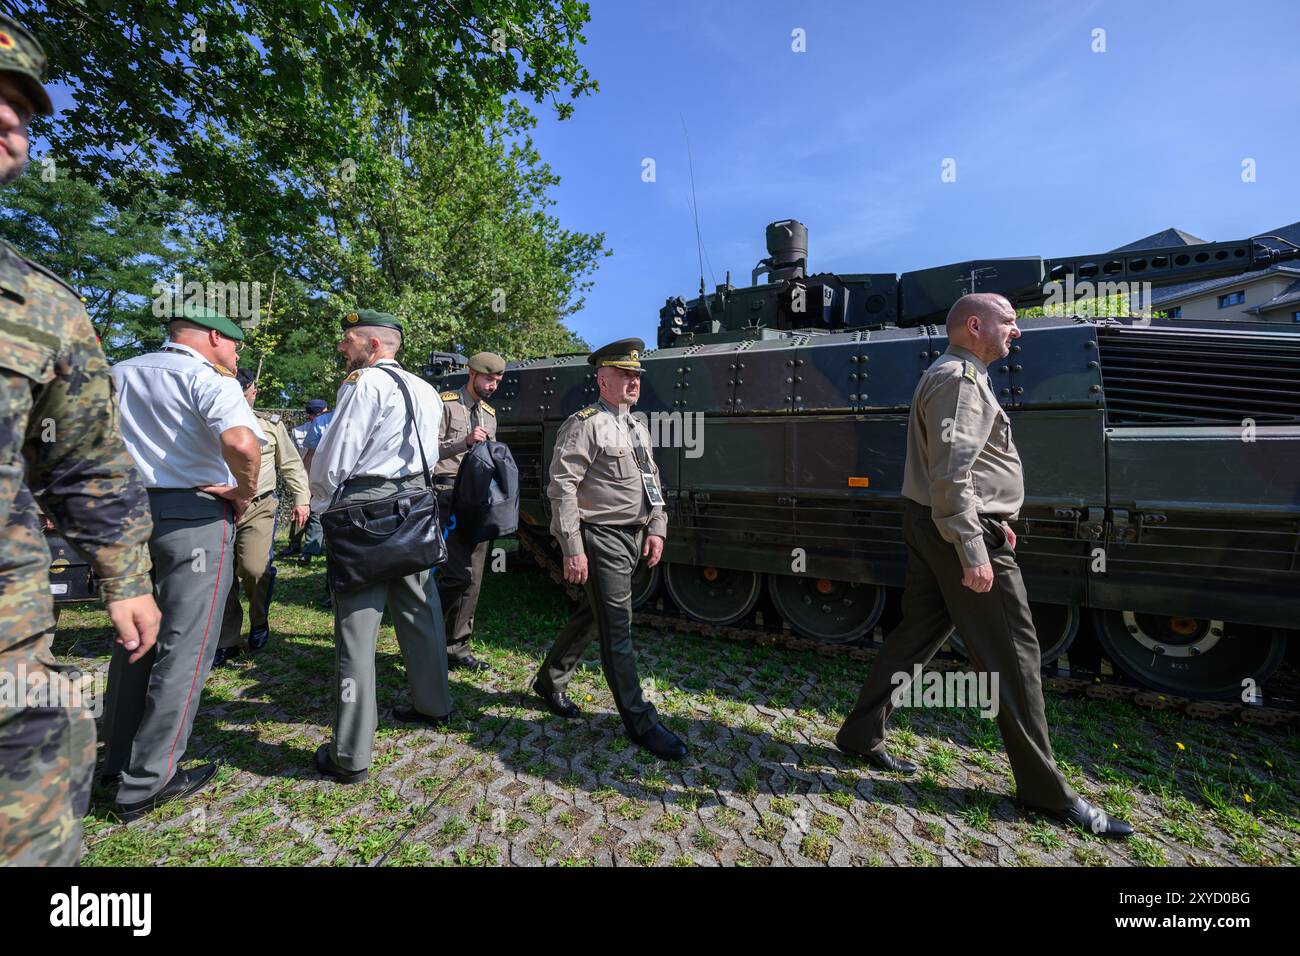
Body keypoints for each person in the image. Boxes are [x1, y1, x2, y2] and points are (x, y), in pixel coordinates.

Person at [834, 293, 1132, 838]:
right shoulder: (960, 380)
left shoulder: (952, 373)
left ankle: (860, 733)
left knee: (916, 636)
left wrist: (991, 515)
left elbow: (958, 472)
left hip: (937, 524)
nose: (1016, 331)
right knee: (1015, 654)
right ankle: (1045, 791)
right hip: (957, 534)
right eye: (1009, 321)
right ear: (975, 325)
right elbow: (952, 471)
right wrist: (975, 541)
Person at [0, 12, 161, 863]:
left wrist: (124, 574)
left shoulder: (44, 306)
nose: (9, 124)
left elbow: (87, 456)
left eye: (21, 111)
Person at [103, 305, 264, 821]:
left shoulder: (118, 373)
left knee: (133, 635)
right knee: (186, 646)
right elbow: (241, 441)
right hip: (192, 513)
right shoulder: (209, 379)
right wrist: (244, 491)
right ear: (215, 338)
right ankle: (150, 779)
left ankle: (118, 758)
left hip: (125, 514)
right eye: (235, 346)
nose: (237, 356)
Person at [309, 309, 450, 784]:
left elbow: (336, 455)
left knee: (356, 631)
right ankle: (434, 704)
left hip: (365, 508)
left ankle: (350, 754)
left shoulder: (362, 383)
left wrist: (322, 505)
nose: (342, 348)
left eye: (348, 340)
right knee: (420, 608)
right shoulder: (427, 389)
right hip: (413, 505)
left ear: (372, 345)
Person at [532, 338, 684, 761]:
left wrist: (657, 525)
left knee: (594, 613)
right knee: (619, 628)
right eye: (625, 374)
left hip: (634, 537)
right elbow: (561, 487)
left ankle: (549, 680)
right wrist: (572, 546)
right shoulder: (585, 423)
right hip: (601, 537)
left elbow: (652, 481)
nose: (634, 381)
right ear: (602, 379)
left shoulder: (637, 425)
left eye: (637, 375)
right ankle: (640, 720)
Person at [213, 368, 310, 665]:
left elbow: (291, 464)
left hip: (259, 505)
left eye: (251, 390)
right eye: (247, 391)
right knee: (221, 575)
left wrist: (302, 499)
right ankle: (227, 638)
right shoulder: (208, 422)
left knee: (254, 569)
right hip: (217, 506)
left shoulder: (270, 425)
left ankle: (259, 619)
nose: (252, 395)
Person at [434, 351, 506, 672]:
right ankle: (429, 637)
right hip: (446, 493)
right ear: (472, 374)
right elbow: (427, 449)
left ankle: (457, 646)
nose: (492, 386)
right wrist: (463, 442)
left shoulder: (490, 413)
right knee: (450, 573)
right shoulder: (445, 403)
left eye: (497, 381)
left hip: (478, 498)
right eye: (488, 379)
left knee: (474, 575)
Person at [280, 399, 328, 558]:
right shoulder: (326, 428)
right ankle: (302, 547)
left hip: (311, 474)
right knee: (305, 509)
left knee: (309, 510)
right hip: (310, 474)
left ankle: (307, 548)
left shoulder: (299, 431)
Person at [296, 400, 333, 565]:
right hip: (324, 478)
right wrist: (307, 483)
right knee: (316, 513)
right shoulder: (321, 423)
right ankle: (310, 550)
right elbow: (309, 455)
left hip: (351, 481)